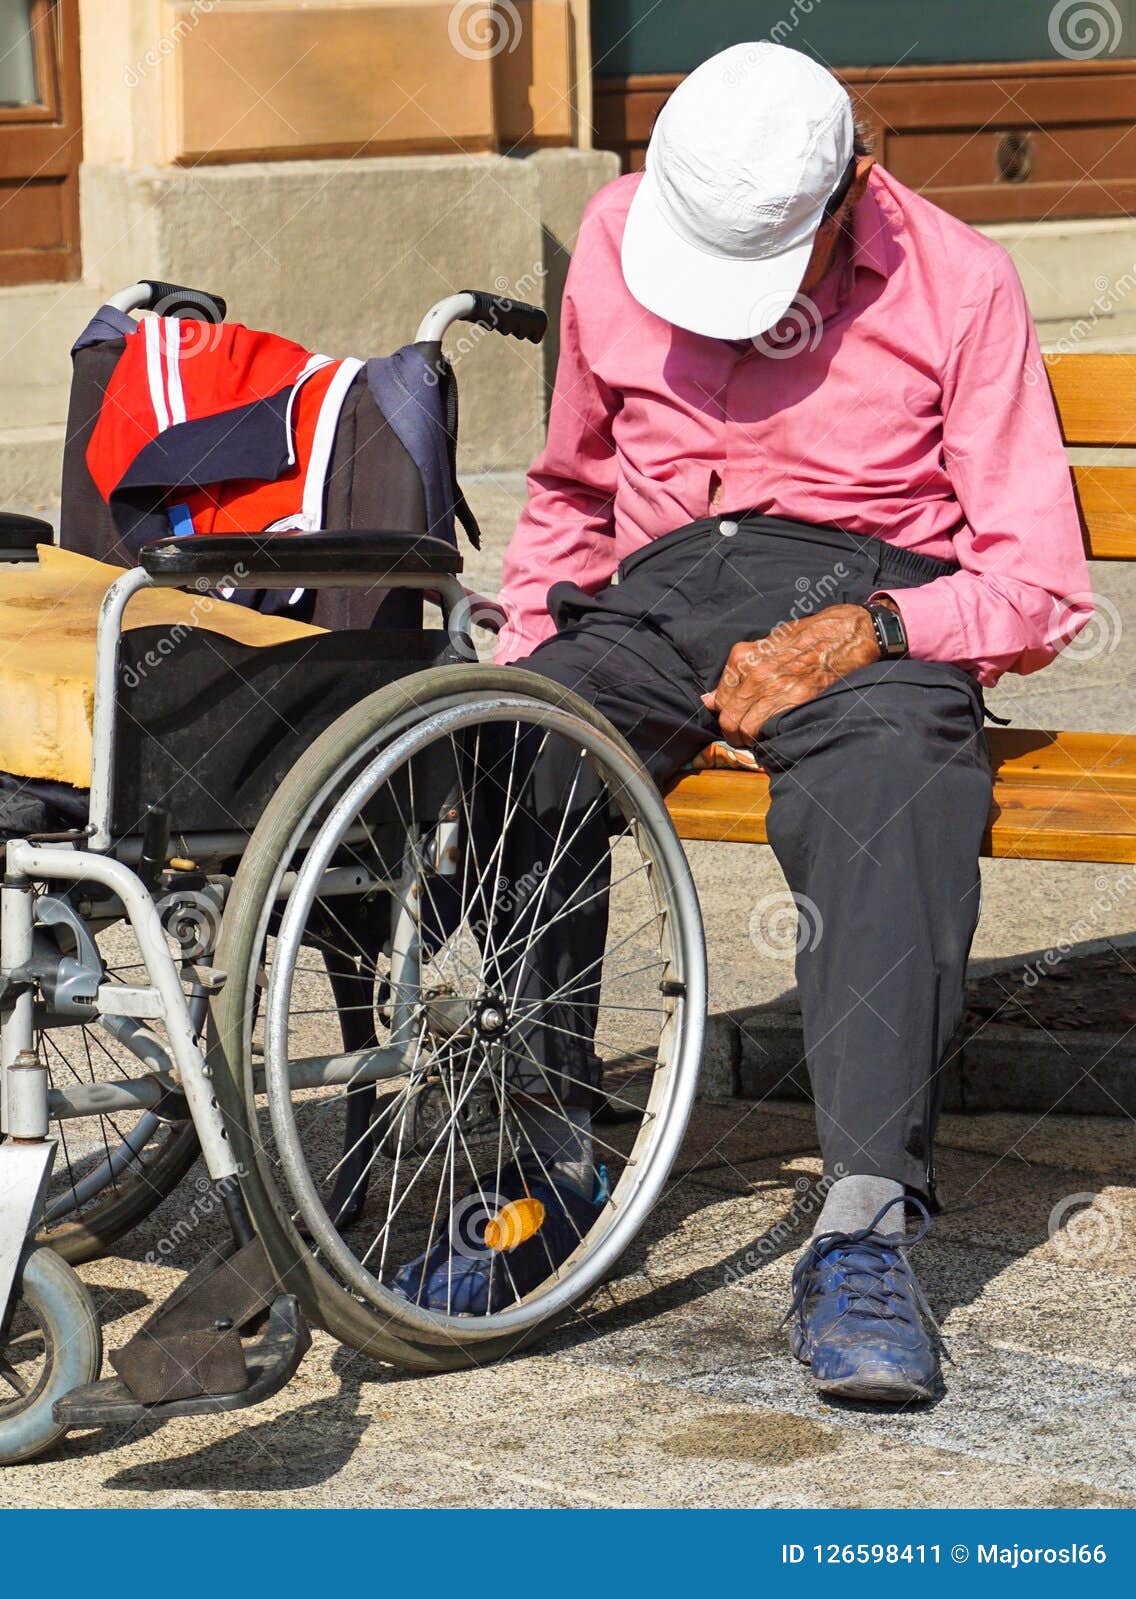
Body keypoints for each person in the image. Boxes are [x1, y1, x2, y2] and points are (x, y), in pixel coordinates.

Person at [394, 41, 1090, 1404]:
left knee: (896, 791)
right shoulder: (615, 229)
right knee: (516, 741)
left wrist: (871, 631)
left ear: (850, 192)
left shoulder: (961, 280)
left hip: (866, 612)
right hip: (654, 602)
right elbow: (572, 486)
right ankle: (551, 1158)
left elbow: (1038, 585)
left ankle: (864, 1228)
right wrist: (532, 651)